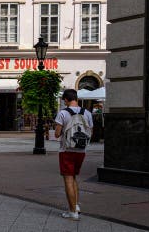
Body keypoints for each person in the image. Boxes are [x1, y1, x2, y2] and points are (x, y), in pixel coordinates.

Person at [54, 89, 93, 221]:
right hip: (81, 151)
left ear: (66, 99)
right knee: (74, 178)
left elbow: (57, 134)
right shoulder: (87, 113)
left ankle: (72, 212)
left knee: (68, 180)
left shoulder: (63, 113)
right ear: (76, 98)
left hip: (67, 150)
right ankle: (75, 206)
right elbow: (90, 132)